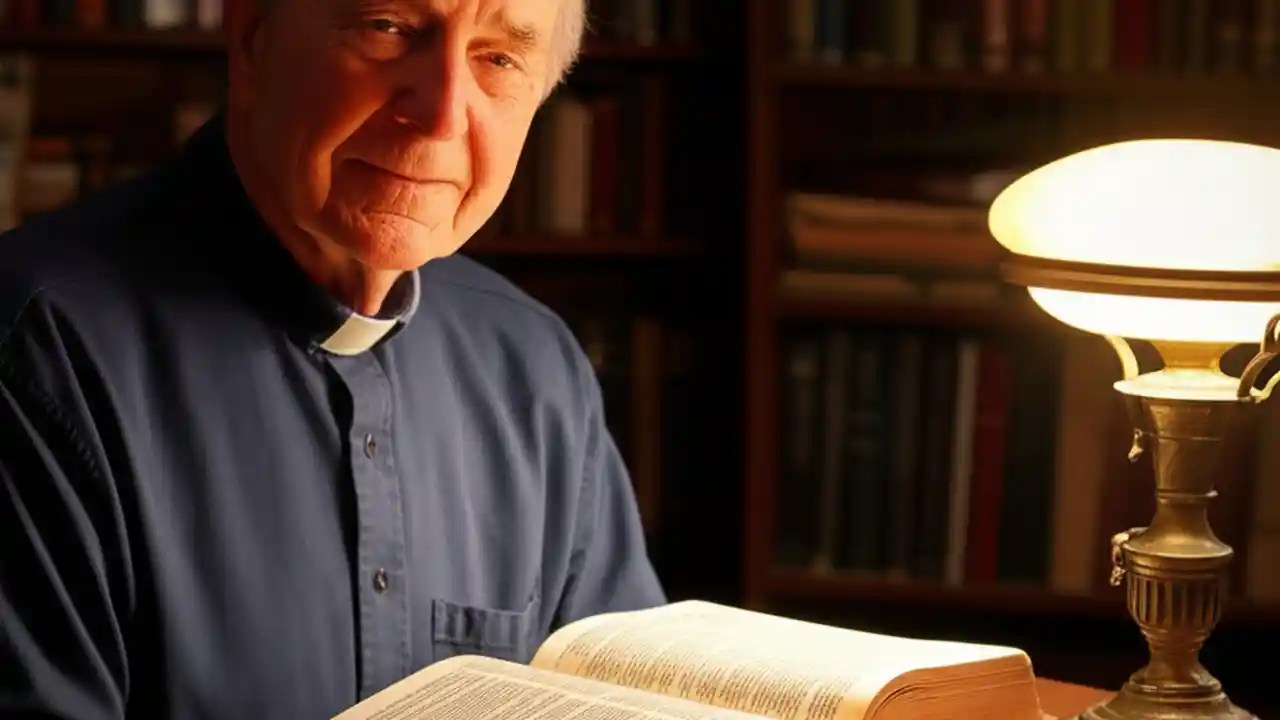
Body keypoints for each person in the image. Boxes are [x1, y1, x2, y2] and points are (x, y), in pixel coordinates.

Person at [0, 0, 667, 717]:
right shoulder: (36, 350)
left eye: (498, 59)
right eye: (390, 29)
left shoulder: (536, 368)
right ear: (253, 37)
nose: (443, 114)